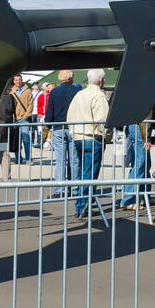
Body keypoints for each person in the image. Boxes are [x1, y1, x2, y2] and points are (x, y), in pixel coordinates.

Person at [67, 69, 109, 218]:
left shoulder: (79, 94)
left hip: (78, 136)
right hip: (92, 137)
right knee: (90, 174)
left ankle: (81, 204)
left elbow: (69, 116)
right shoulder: (99, 95)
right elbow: (102, 119)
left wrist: (73, 130)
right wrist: (105, 134)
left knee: (83, 171)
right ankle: (82, 206)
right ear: (101, 80)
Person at [44, 70, 81, 183]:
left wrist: (49, 124)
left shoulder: (54, 92)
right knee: (74, 160)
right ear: (71, 78)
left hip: (58, 127)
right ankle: (74, 188)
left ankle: (59, 189)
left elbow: (49, 111)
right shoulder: (77, 91)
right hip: (73, 127)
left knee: (60, 160)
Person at [9, 75, 34, 164]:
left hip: (24, 119)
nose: (18, 81)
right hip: (13, 119)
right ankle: (18, 158)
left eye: (19, 80)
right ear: (14, 81)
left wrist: (26, 116)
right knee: (16, 140)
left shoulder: (27, 91)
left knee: (26, 140)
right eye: (16, 80)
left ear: (22, 80)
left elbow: (30, 104)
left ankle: (28, 159)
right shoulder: (11, 91)